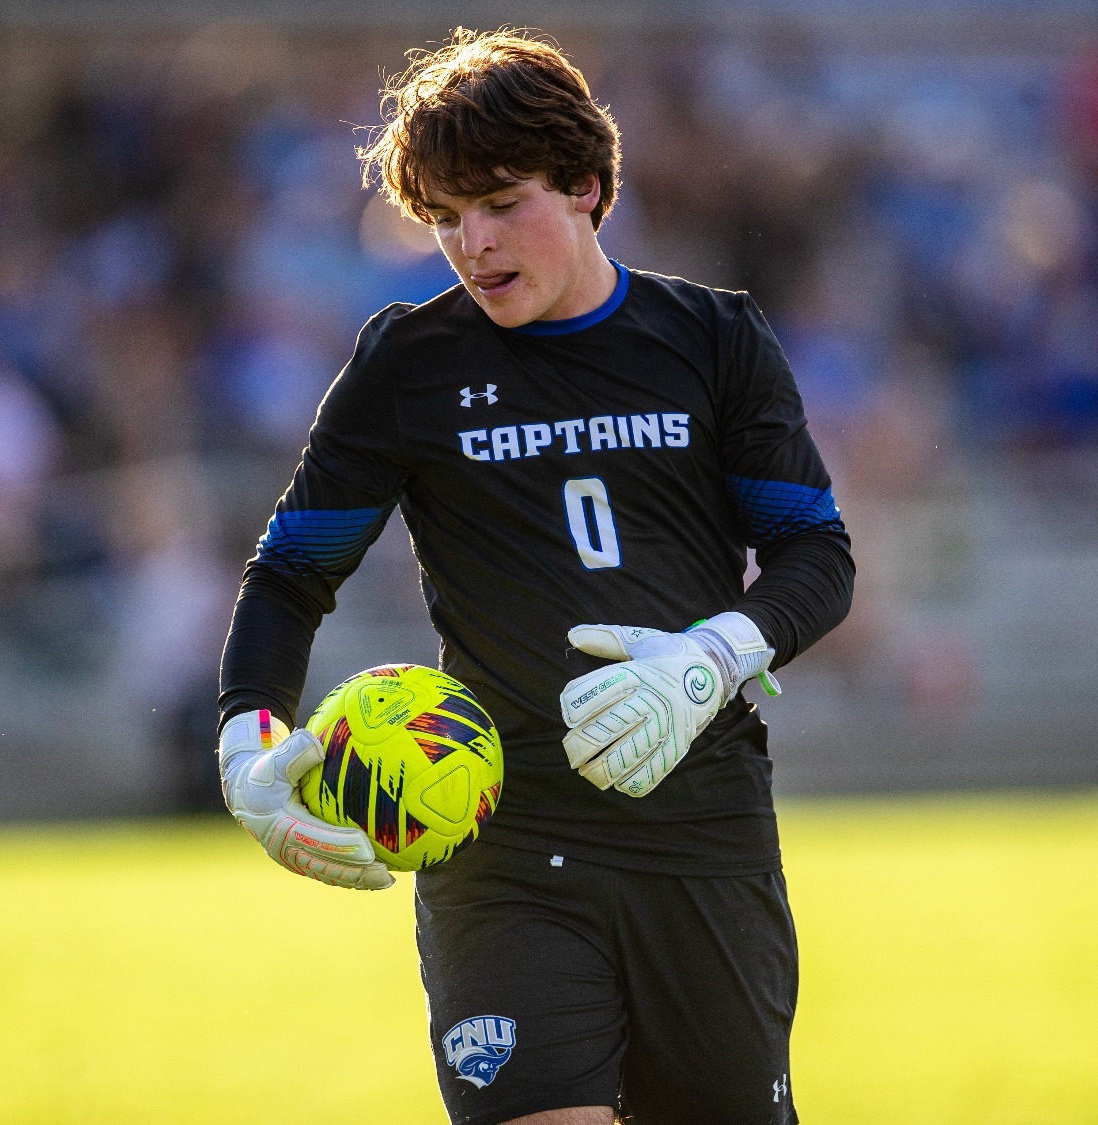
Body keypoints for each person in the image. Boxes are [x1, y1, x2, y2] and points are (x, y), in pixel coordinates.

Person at [215, 29, 852, 1125]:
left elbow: (814, 558)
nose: (471, 243)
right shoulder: (405, 364)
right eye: (444, 218)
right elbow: (288, 577)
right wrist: (245, 742)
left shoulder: (712, 339)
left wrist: (710, 659)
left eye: (500, 203)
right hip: (499, 845)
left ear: (589, 186)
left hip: (698, 833)